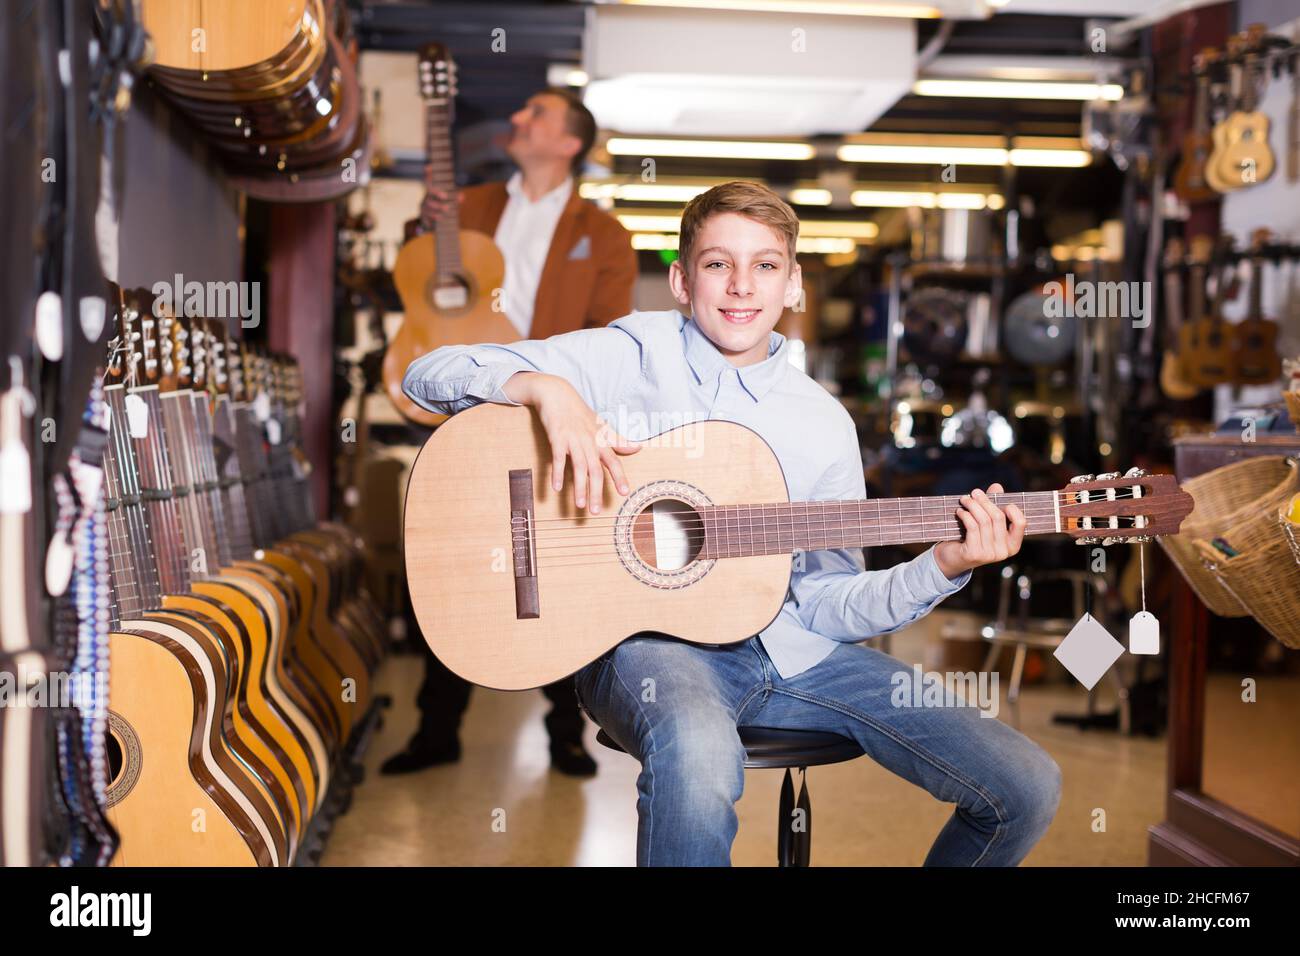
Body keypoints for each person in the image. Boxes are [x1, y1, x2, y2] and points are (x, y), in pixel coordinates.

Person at [402, 181, 1062, 865]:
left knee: (1026, 785)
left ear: (794, 284)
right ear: (683, 281)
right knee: (700, 751)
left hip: (794, 652)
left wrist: (943, 566)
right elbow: (426, 374)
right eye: (719, 264)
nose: (742, 286)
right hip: (647, 648)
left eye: (766, 265)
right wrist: (546, 390)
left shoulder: (822, 424)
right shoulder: (626, 356)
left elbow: (831, 603)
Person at [381, 87, 637, 778]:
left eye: (537, 114)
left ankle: (563, 734)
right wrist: (419, 228)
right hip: (471, 402)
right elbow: (420, 277)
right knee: (453, 560)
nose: (517, 117)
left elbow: (612, 332)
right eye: (522, 110)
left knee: (550, 565)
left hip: (554, 419)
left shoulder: (603, 233)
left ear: (569, 143)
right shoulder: (474, 203)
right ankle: (437, 731)